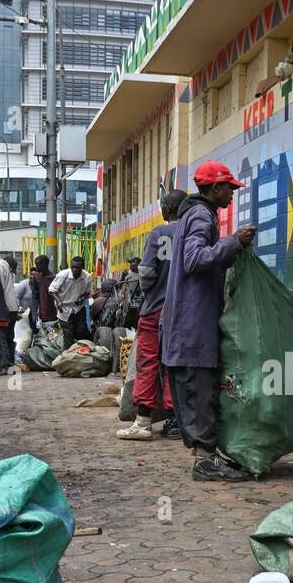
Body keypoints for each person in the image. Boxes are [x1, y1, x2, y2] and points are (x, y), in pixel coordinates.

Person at [162, 160, 257, 482]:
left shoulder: (195, 215)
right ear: (215, 188)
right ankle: (204, 460)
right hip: (193, 323)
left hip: (189, 321)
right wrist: (234, 243)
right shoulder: (202, 216)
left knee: (198, 390)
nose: (232, 194)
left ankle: (207, 455)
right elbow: (195, 259)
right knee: (200, 391)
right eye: (229, 188)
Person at [117, 189, 184, 442]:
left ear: (166, 210)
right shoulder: (195, 233)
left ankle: (143, 422)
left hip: (155, 309)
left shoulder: (159, 233)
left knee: (147, 362)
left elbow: (146, 272)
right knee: (174, 365)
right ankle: (176, 420)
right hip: (184, 313)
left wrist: (152, 291)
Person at [50, 256, 92, 347]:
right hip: (64, 309)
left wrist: (82, 298)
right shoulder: (62, 275)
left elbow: (87, 293)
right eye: (73, 267)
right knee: (68, 335)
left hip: (78, 309)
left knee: (81, 333)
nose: (75, 269)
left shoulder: (87, 277)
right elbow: (51, 290)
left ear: (82, 267)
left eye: (78, 268)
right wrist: (58, 301)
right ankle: (68, 356)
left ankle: (80, 354)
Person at [30, 255, 56, 329]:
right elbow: (35, 296)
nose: (37, 267)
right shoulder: (37, 277)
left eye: (38, 265)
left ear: (45, 264)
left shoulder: (54, 278)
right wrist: (34, 314)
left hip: (54, 314)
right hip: (42, 315)